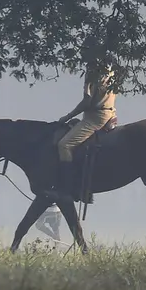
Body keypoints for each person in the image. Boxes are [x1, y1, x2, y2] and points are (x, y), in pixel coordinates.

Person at [55, 63, 118, 203]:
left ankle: (68, 186)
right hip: (110, 113)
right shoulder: (112, 71)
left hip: (95, 117)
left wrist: (67, 116)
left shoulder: (92, 73)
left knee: (64, 145)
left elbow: (87, 102)